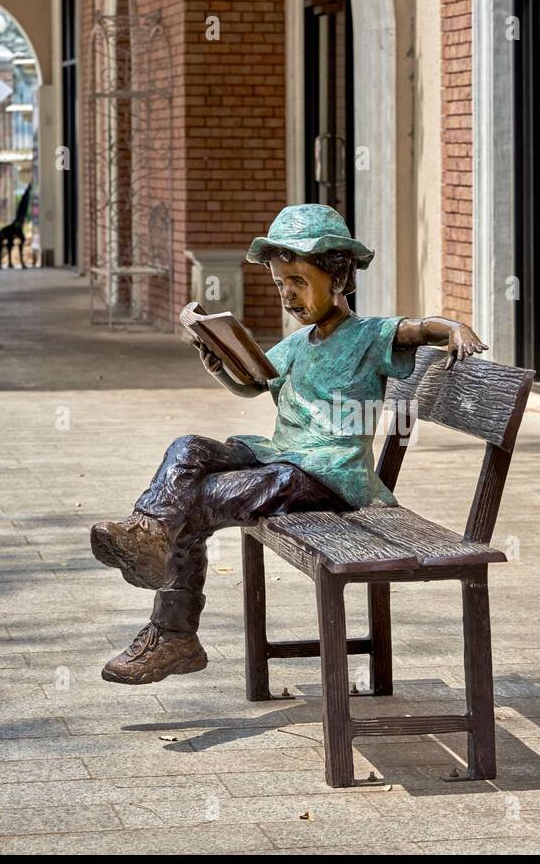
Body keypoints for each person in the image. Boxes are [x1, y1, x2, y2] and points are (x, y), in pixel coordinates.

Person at [90, 204, 487, 684]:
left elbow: (420, 328)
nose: (288, 295)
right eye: (280, 285)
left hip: (326, 475)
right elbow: (256, 380)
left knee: (197, 503)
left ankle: (173, 632)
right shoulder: (298, 344)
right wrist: (218, 361)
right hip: (282, 459)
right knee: (189, 447)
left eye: (297, 282)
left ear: (338, 277)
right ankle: (148, 534)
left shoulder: (369, 335)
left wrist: (455, 329)